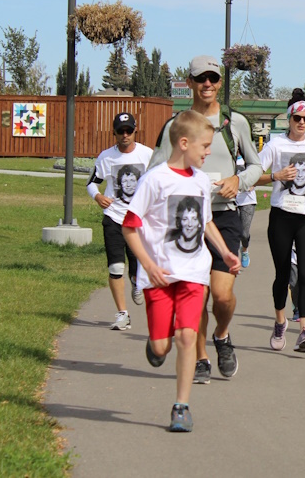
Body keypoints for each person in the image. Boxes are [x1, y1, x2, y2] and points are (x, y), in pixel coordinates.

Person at [122, 110, 242, 432]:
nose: (207, 152)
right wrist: (147, 266)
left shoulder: (202, 182)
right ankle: (154, 343)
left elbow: (205, 223)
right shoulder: (154, 179)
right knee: (162, 346)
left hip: (193, 273)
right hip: (159, 275)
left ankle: (181, 407)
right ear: (184, 143)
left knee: (187, 336)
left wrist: (226, 252)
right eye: (204, 146)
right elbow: (130, 227)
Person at [149, 55, 262, 384]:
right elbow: (155, 169)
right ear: (191, 82)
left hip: (226, 216)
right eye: (201, 79)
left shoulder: (234, 123)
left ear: (220, 82)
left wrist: (238, 181)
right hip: (187, 219)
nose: (207, 84)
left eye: (213, 78)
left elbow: (256, 166)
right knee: (195, 292)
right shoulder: (175, 125)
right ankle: (200, 358)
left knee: (222, 294)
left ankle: (222, 336)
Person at [257, 91, 305, 353]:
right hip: (281, 216)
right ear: (289, 118)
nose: (302, 122)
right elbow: (254, 174)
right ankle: (280, 322)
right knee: (281, 275)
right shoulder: (275, 145)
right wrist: (275, 175)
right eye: (298, 118)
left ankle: (304, 331)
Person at [87, 112, 153, 331]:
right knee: (115, 266)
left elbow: (159, 182)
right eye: (120, 131)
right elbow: (92, 183)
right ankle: (122, 314)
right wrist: (98, 197)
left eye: (129, 131)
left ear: (135, 131)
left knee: (137, 266)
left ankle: (136, 280)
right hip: (114, 217)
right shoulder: (106, 157)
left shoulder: (147, 155)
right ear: (114, 133)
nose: (125, 135)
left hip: (137, 220)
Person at [234, 154, 256, 268]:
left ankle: (244, 250)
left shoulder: (248, 157)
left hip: (248, 200)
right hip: (232, 199)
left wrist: (254, 183)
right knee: (233, 231)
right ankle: (232, 257)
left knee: (244, 233)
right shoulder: (228, 157)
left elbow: (258, 172)